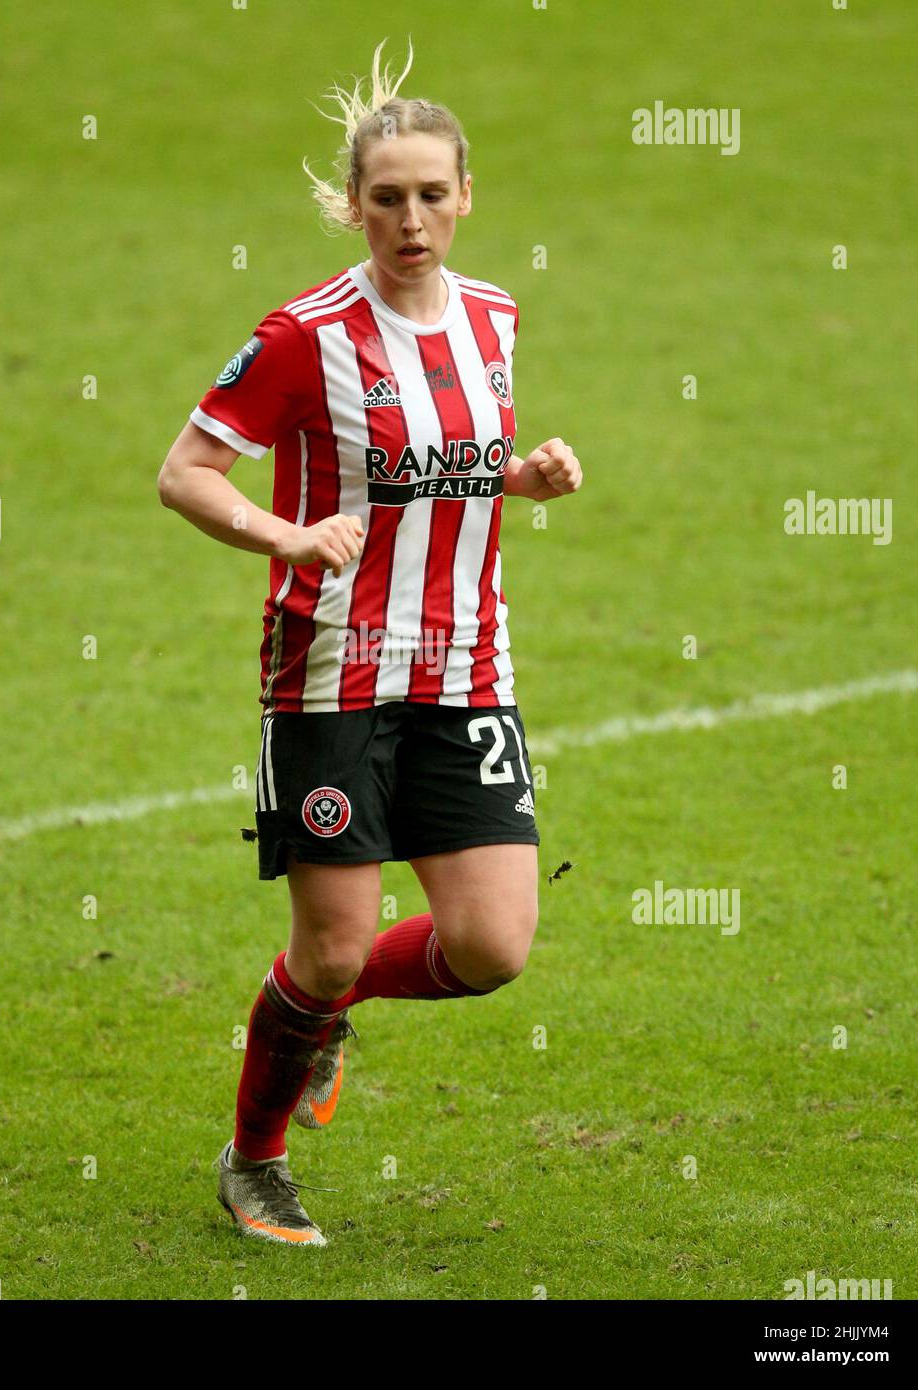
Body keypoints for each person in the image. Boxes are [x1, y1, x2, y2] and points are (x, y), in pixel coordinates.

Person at [158, 39, 582, 1247]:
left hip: (468, 668)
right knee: (332, 947)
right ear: (354, 204)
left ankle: (324, 1019)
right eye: (387, 197)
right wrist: (285, 534)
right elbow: (186, 473)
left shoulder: (494, 318)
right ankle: (255, 1157)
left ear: (466, 195)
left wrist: (524, 477)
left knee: (491, 944)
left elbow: (452, 463)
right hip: (331, 676)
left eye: (432, 194)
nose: (410, 219)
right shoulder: (304, 336)